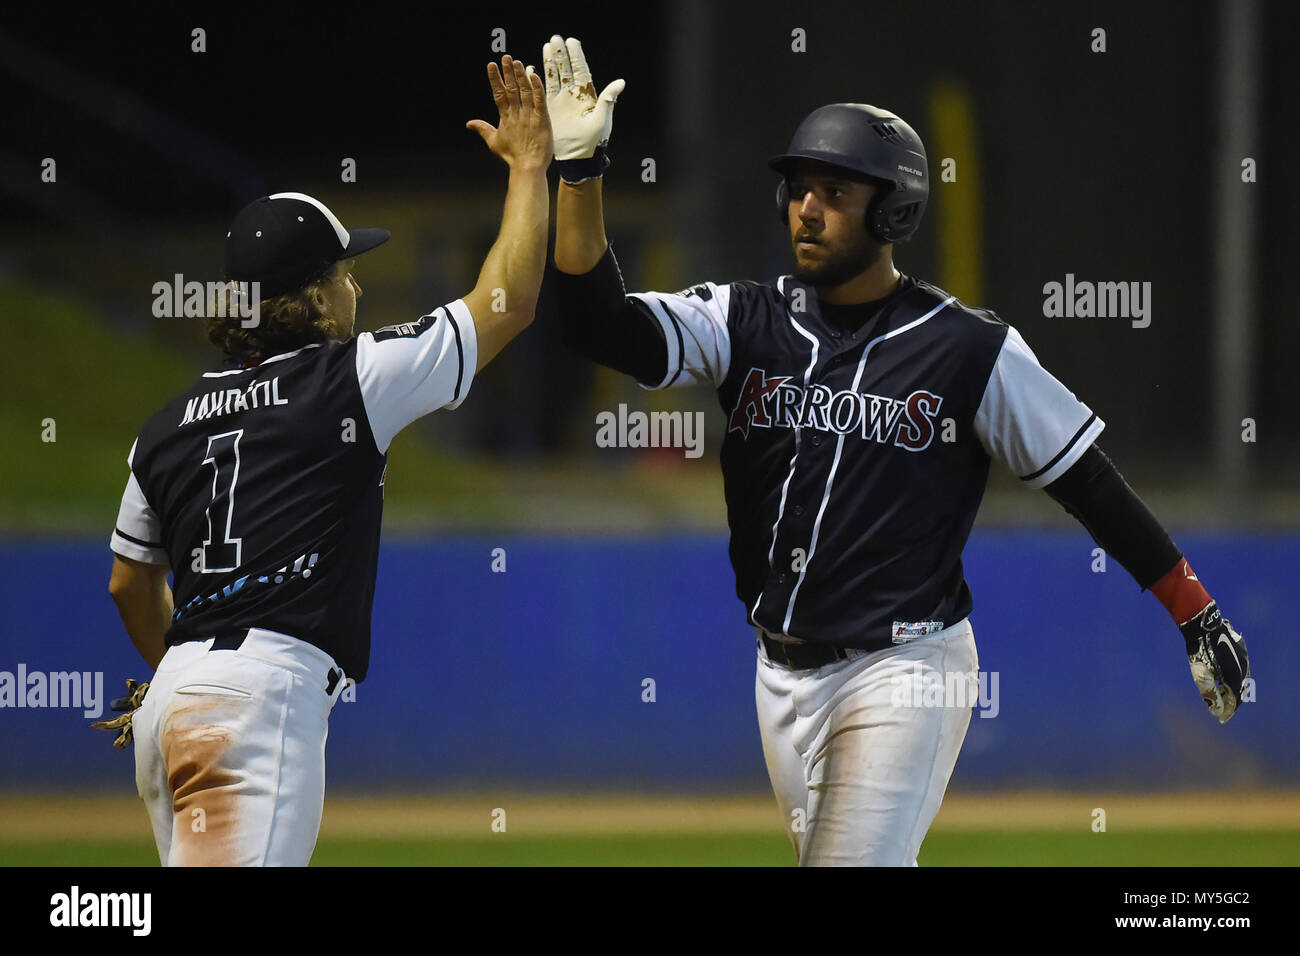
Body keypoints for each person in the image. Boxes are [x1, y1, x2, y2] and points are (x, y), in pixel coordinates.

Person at [541, 35, 1251, 866]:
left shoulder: (967, 349)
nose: (806, 206)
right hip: (779, 675)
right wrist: (579, 171)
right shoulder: (745, 319)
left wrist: (1195, 611)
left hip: (907, 667)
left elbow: (1089, 483)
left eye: (834, 191)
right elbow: (600, 324)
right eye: (798, 189)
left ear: (894, 212)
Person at [98, 54, 553, 866]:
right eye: (346, 273)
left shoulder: (163, 426)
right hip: (258, 700)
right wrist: (529, 169)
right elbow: (508, 303)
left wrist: (180, 676)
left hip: (173, 706)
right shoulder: (350, 380)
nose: (358, 290)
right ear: (312, 293)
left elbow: (130, 581)